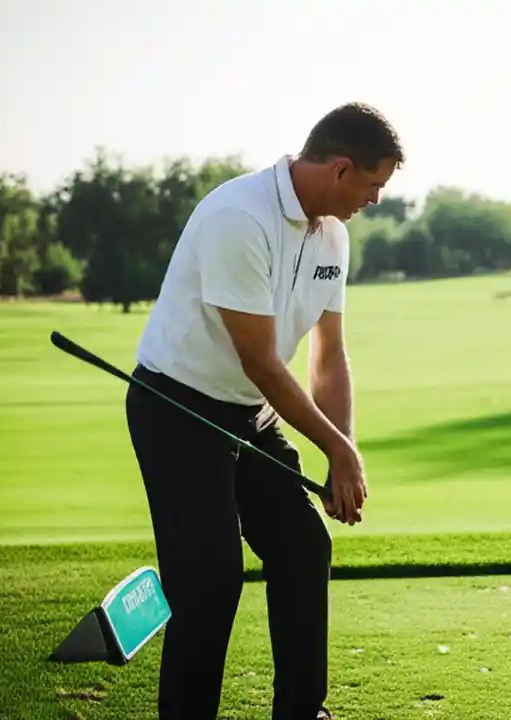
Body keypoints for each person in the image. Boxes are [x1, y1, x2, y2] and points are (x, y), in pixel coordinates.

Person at [125, 101, 403, 719]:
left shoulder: (333, 235)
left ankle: (302, 712)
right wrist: (337, 448)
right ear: (340, 169)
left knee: (303, 548)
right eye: (374, 184)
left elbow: (328, 357)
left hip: (250, 414)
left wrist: (341, 446)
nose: (377, 200)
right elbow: (261, 361)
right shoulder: (237, 216)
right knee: (209, 583)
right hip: (177, 408)